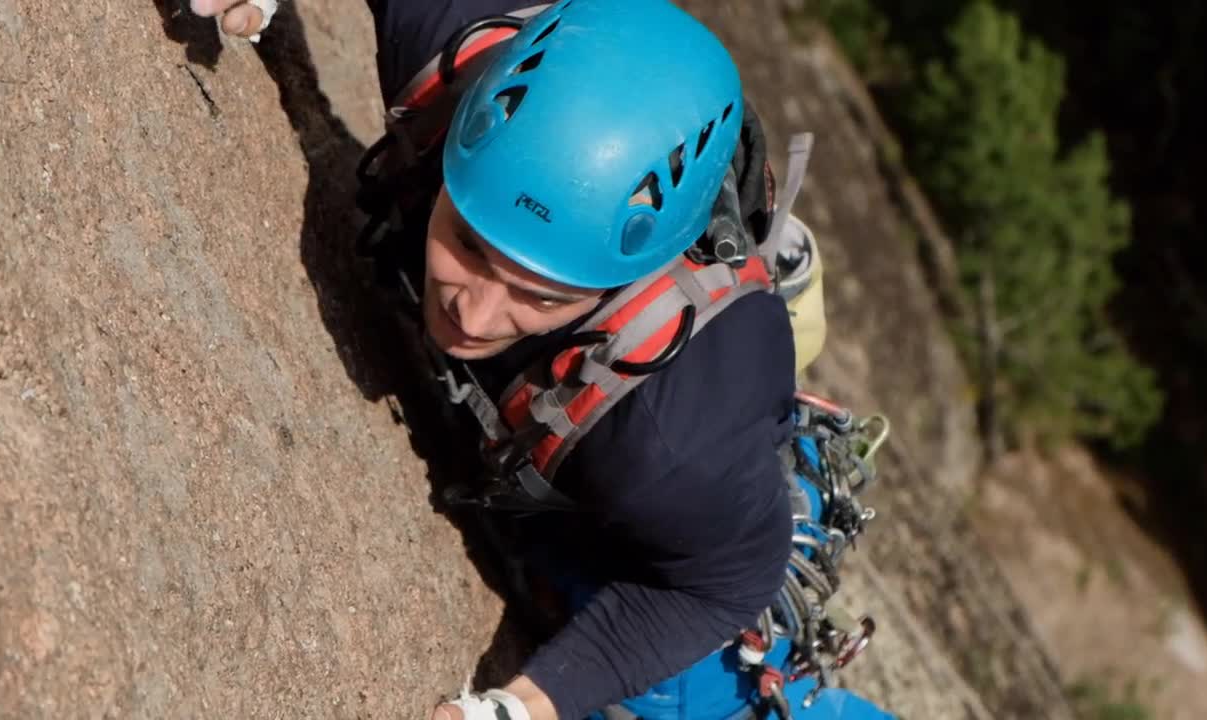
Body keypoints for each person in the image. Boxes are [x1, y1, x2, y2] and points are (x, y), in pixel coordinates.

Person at [190, 1, 895, 719]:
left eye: (540, 295)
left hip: (694, 479)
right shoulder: (464, 75)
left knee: (697, 698)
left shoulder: (671, 446)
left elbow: (723, 587)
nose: (474, 313)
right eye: (468, 243)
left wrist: (524, 706)